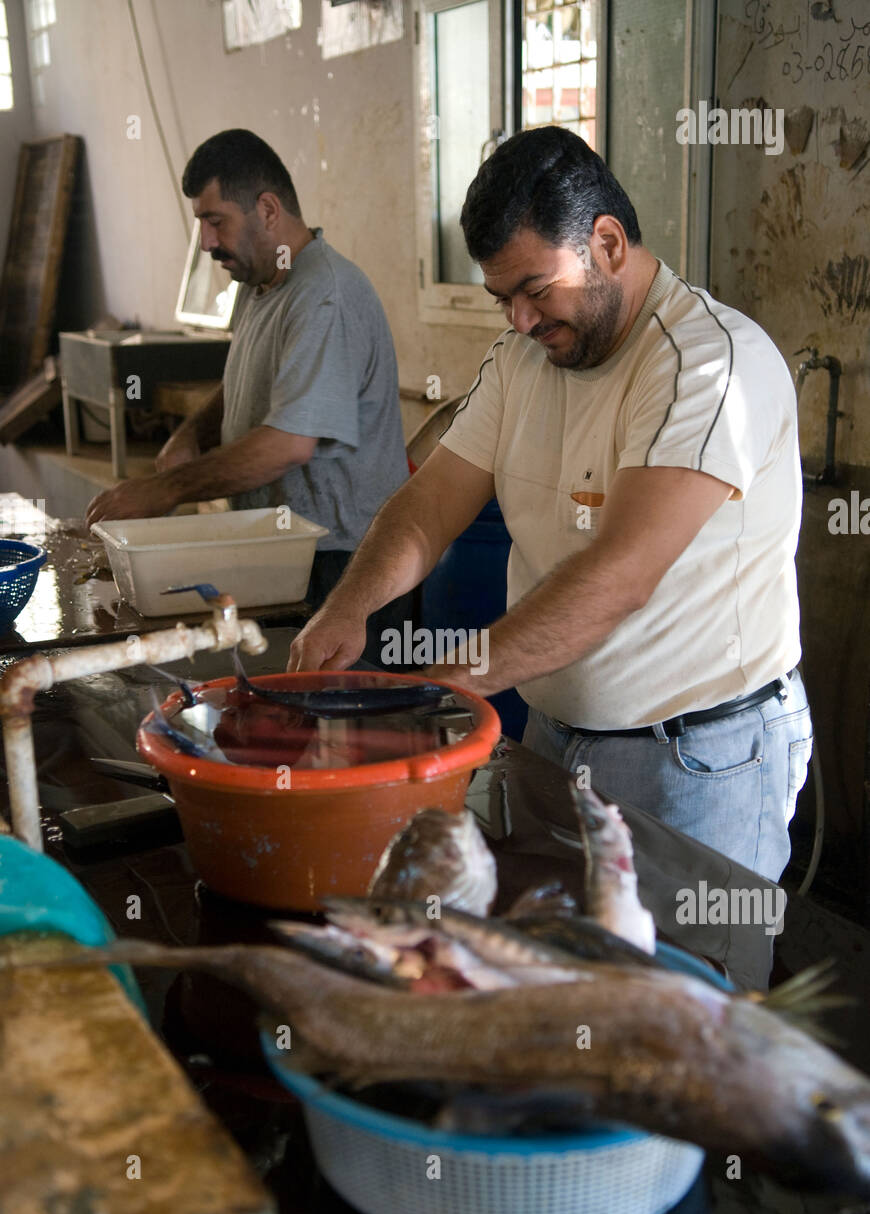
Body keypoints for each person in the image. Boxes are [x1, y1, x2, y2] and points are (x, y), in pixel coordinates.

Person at [287, 125, 812, 884]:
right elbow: (428, 506)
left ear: (606, 243)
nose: (521, 321)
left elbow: (619, 577)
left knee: (680, 991)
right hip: (554, 740)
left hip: (698, 761)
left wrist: (450, 683)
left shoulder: (705, 365)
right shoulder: (521, 363)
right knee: (556, 971)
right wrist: (348, 607)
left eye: (535, 291)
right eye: (503, 299)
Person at [85, 128, 410, 663]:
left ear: (266, 209)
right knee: (284, 720)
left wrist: (167, 489)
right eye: (202, 225)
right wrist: (193, 436)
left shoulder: (322, 294)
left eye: (216, 222)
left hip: (345, 567)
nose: (207, 243)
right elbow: (245, 384)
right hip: (287, 555)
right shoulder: (261, 286)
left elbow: (288, 444)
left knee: (347, 732)